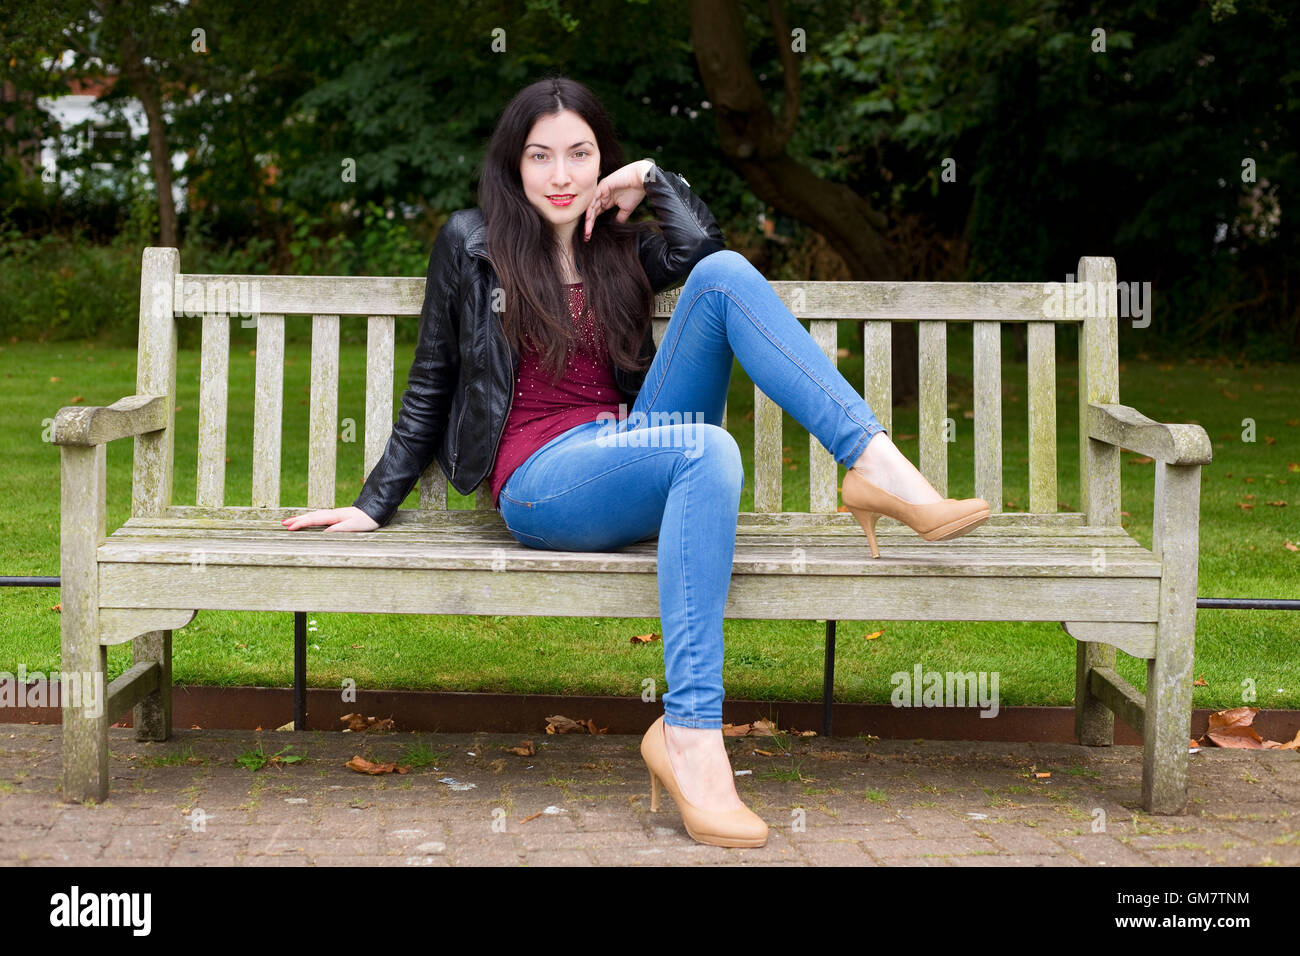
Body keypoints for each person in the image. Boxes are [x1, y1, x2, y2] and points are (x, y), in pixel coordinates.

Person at [283, 75, 989, 848]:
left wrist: (651, 178)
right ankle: (692, 735)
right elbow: (432, 380)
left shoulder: (618, 246)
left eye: (580, 154)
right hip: (543, 481)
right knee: (707, 447)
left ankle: (877, 464)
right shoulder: (471, 242)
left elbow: (702, 247)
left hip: (633, 447)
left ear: (600, 162)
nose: (561, 175)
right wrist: (372, 503)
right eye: (541, 156)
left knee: (720, 280)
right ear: (513, 167)